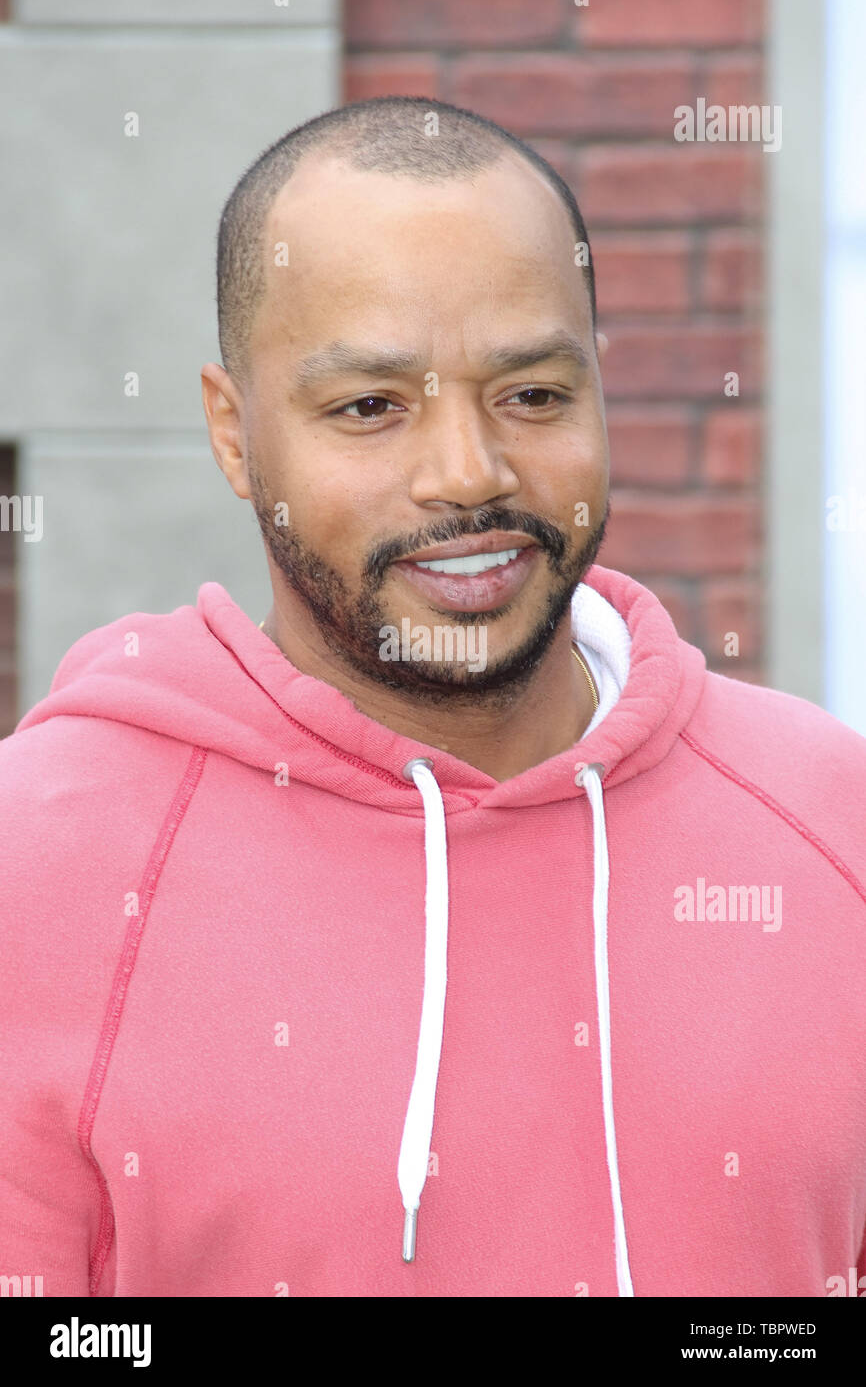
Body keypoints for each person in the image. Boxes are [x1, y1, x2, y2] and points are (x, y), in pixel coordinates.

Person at [1, 95, 864, 1299]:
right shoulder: (39, 870)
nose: (468, 472)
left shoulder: (830, 819)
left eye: (532, 395)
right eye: (370, 406)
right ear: (234, 432)